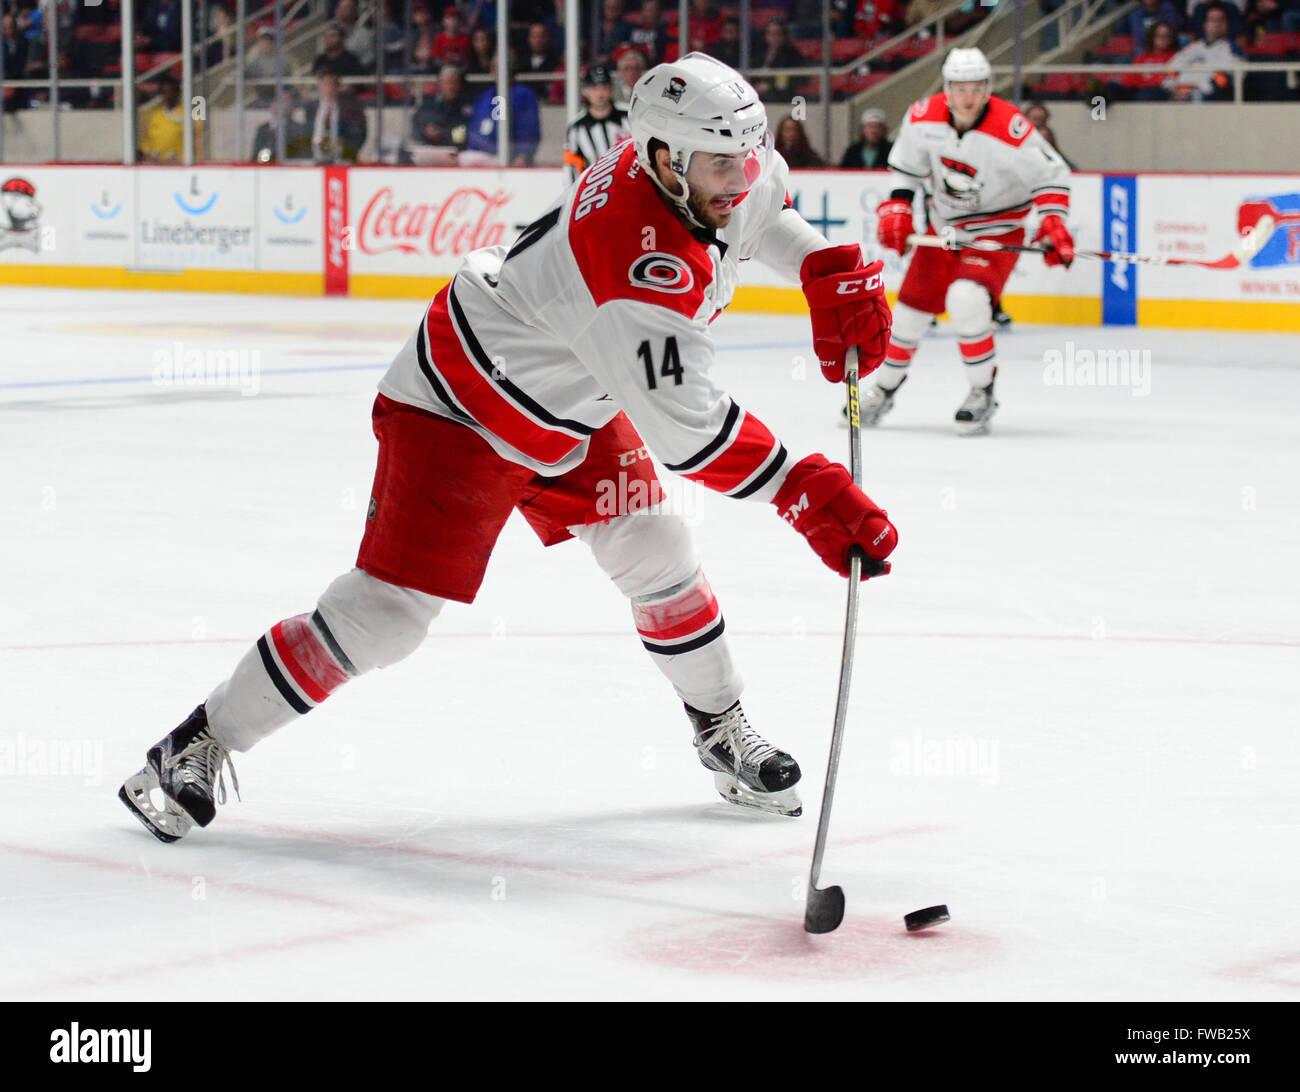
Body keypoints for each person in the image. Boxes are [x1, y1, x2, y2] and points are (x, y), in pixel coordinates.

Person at [118, 52, 898, 844]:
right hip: (461, 409)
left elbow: (761, 210)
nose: (741, 177)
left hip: (572, 402)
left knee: (658, 548)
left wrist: (823, 264)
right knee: (386, 617)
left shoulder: (700, 160)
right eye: (722, 164)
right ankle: (198, 741)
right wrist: (805, 489)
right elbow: (690, 433)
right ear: (662, 158)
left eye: (748, 156)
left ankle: (721, 725)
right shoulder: (633, 256)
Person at [866, 48, 1072, 435]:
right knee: (909, 315)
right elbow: (906, 171)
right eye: (960, 88)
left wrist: (1054, 223)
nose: (968, 97)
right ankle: (884, 389)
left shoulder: (1010, 127)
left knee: (966, 300)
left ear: (988, 89)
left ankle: (981, 392)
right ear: (947, 88)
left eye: (977, 88)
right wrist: (897, 208)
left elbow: (1053, 174)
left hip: (996, 231)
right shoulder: (922, 118)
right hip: (943, 231)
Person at [464, 55, 542, 165]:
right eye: (494, 67)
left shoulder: (524, 94)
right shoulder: (486, 95)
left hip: (512, 156)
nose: (496, 71)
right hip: (483, 154)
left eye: (501, 67)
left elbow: (530, 131)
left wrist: (523, 154)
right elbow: (475, 129)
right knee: (464, 158)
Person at [563, 63, 628, 182]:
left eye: (604, 87)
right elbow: (572, 167)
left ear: (611, 88)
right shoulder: (576, 127)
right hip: (595, 190)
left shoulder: (628, 116)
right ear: (585, 90)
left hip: (629, 185)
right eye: (594, 88)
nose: (600, 93)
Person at [1166, 4, 1243, 100]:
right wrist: (1172, 88)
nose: (1217, 24)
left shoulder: (1232, 49)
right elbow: (1171, 70)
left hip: (1204, 98)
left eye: (1221, 20)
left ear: (1227, 24)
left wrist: (1189, 90)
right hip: (1177, 94)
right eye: (1212, 20)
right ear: (1205, 24)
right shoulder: (1192, 47)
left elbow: (1224, 80)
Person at [304, 67, 368, 163]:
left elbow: (359, 134)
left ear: (338, 87)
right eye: (326, 84)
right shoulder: (311, 106)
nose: (329, 88)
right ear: (319, 86)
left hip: (340, 158)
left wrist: (347, 151)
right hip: (314, 158)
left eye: (332, 84)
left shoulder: (350, 107)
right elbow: (305, 131)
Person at [139, 74, 203, 162]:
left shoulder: (190, 114)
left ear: (177, 94)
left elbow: (199, 139)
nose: (167, 96)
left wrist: (196, 160)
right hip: (158, 164)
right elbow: (148, 140)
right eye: (164, 93)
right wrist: (147, 154)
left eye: (170, 92)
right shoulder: (155, 115)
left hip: (181, 164)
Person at [411, 63, 473, 149]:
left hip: (457, 152)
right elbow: (416, 129)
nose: (451, 87)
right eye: (447, 82)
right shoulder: (428, 106)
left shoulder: (468, 108)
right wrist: (425, 132)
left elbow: (466, 134)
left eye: (454, 82)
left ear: (460, 84)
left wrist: (442, 134)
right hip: (430, 150)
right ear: (440, 84)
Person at [251, 89, 312, 162]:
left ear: (292, 106)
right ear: (272, 104)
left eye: (285, 101)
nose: (281, 105)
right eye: (277, 100)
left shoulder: (299, 130)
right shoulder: (262, 129)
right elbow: (254, 157)